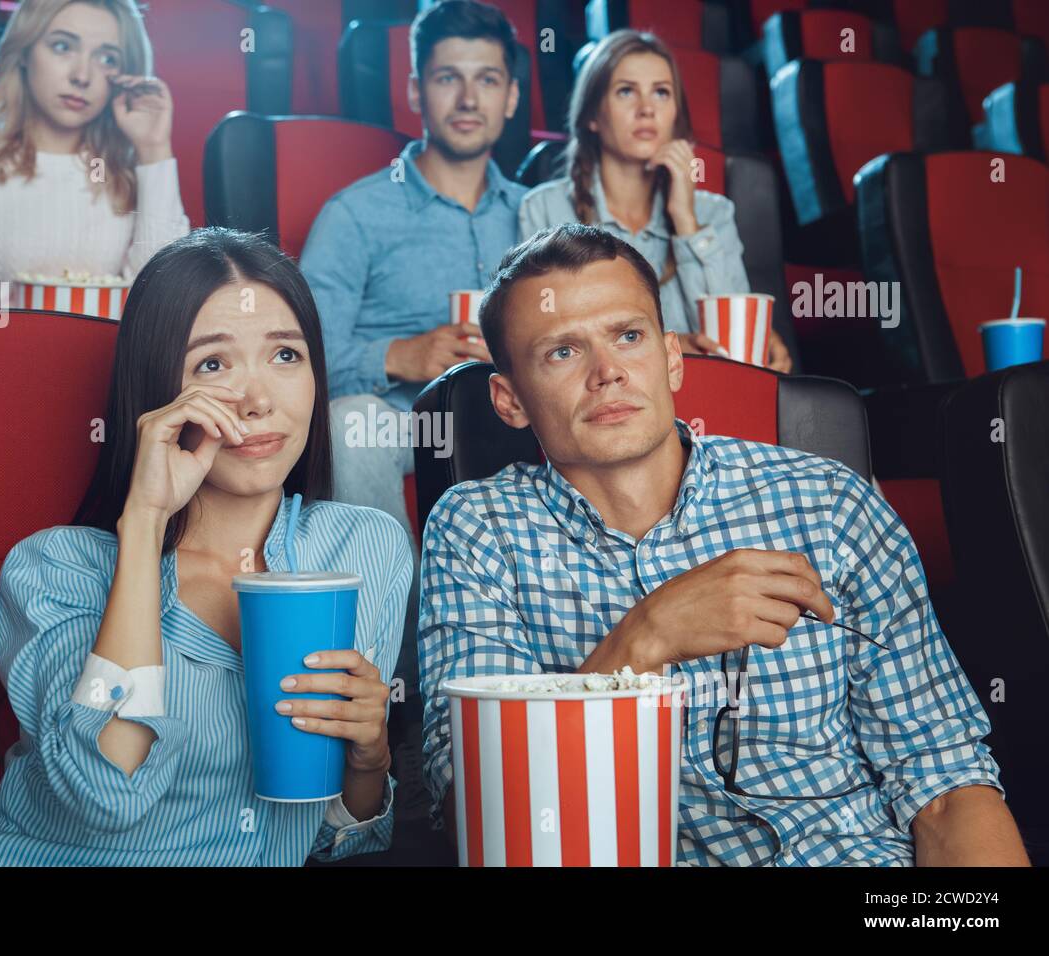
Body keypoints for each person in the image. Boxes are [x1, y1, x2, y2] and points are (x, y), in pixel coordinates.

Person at [417, 223, 1029, 866]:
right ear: (509, 400)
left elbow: (947, 788)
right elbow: (480, 819)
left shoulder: (827, 503)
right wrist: (643, 639)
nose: (608, 373)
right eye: (562, 353)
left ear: (671, 357)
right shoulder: (477, 531)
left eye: (629, 336)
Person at [0, 228, 412, 866]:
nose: (258, 400)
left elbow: (329, 838)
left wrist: (370, 759)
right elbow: (105, 793)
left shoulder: (361, 549)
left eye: (286, 356)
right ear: (158, 396)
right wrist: (145, 522)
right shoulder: (55, 568)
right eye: (213, 364)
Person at [298, 0, 528, 540]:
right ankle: (404, 619)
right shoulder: (354, 214)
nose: (469, 99)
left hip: (528, 413)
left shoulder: (537, 212)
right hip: (414, 425)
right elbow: (297, 357)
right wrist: (400, 355)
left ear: (511, 97)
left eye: (488, 80)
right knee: (352, 425)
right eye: (448, 77)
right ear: (414, 91)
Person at [518, 30, 793, 372]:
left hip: (710, 395)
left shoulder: (713, 212)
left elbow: (728, 344)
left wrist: (685, 221)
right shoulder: (543, 208)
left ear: (676, 115)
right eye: (626, 91)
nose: (646, 109)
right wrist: (664, 352)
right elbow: (551, 339)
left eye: (661, 93)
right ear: (592, 115)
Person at [0, 0, 189, 301]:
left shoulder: (132, 168)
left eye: (107, 58)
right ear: (25, 52)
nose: (82, 76)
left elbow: (163, 303)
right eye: (62, 47)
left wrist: (153, 149)